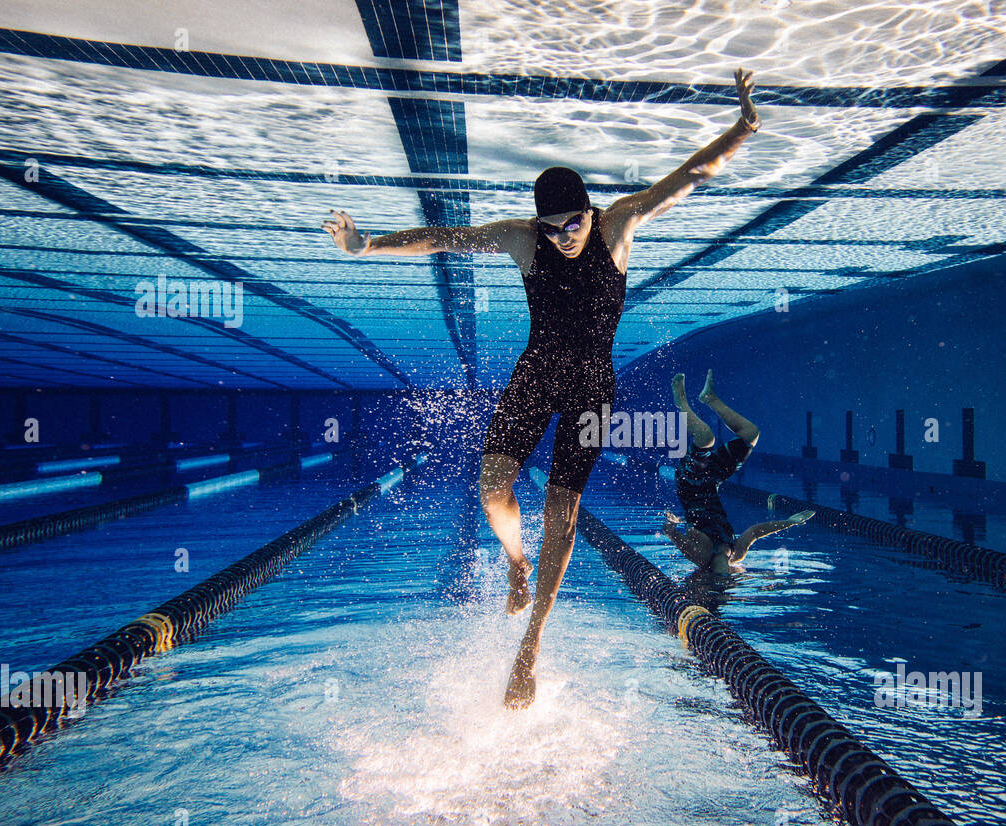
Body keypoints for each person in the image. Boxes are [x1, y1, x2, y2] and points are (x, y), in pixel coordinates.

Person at [324, 69, 763, 709]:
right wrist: (367, 246)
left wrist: (742, 128)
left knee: (563, 513)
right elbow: (445, 239)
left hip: (590, 389)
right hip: (536, 373)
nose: (563, 236)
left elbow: (688, 177)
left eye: (572, 223)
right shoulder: (522, 238)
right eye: (552, 226)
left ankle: (530, 646)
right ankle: (514, 560)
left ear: (590, 211)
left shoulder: (617, 227)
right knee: (491, 485)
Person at [662, 370, 813, 574]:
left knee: (706, 438)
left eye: (724, 577)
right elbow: (755, 532)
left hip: (690, 485)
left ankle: (681, 403)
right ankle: (710, 399)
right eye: (730, 575)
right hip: (712, 482)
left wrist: (672, 526)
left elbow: (670, 532)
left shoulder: (700, 556)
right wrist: (788, 522)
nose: (732, 573)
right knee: (751, 434)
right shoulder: (737, 553)